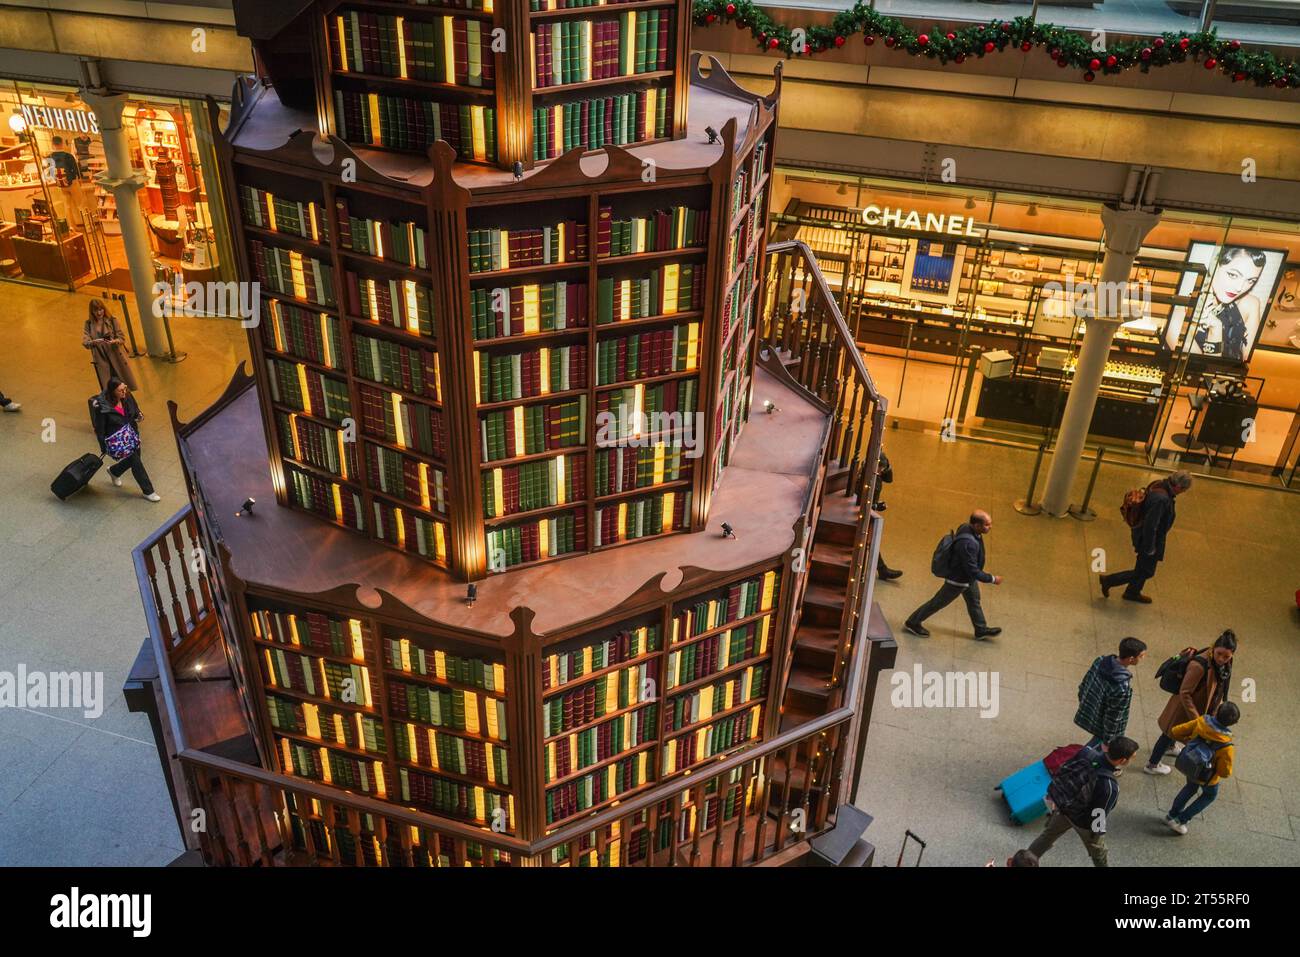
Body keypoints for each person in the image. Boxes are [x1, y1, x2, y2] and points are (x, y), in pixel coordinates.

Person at [1027, 737, 1138, 868]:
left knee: (1047, 836)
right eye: (1132, 757)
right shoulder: (1109, 786)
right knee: (1099, 851)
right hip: (1083, 822)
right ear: (1122, 760)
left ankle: (1024, 861)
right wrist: (1096, 836)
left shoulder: (1086, 752)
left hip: (1064, 806)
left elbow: (1066, 770)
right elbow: (1098, 817)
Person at [1144, 630, 1236, 775]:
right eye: (1219, 654)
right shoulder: (1199, 666)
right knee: (1169, 733)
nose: (1221, 659)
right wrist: (1197, 719)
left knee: (1175, 733)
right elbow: (1185, 692)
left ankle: (1171, 747)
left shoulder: (1224, 663)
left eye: (1226, 656)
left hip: (1199, 704)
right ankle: (1152, 764)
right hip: (1184, 707)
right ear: (1213, 648)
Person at [903, 509, 1002, 639]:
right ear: (977, 525)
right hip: (958, 580)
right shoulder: (968, 544)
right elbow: (972, 569)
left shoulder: (965, 527)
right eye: (987, 525)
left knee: (974, 601)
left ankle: (980, 629)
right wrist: (992, 579)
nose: (990, 527)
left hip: (967, 579)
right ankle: (913, 622)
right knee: (937, 603)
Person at [1099, 471, 1192, 604]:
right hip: (1149, 539)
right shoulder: (1162, 499)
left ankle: (1133, 592)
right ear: (1178, 487)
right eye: (1184, 490)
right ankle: (1109, 580)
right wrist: (1150, 547)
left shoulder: (1159, 484)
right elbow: (1151, 525)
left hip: (1143, 534)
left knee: (1142, 566)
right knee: (1147, 571)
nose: (1183, 492)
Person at [1164, 701, 1238, 835]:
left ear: (1216, 711)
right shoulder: (1227, 747)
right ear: (1233, 724)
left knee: (1190, 788)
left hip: (1191, 765)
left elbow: (1176, 731)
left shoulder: (1202, 721)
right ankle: (1181, 820)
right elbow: (1225, 772)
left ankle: (1172, 814)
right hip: (1208, 777)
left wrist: (1189, 743)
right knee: (1210, 795)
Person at [1190, 247, 1267, 362]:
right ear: (1214, 267)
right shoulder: (1181, 310)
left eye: (1251, 281)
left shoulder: (1250, 304)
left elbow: (1245, 360)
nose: (1239, 288)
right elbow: (1207, 372)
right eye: (1233, 275)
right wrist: (1215, 329)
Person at [93, 376, 160, 502]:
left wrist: (139, 414)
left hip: (132, 433)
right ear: (113, 392)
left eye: (125, 389)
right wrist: (103, 446)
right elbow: (100, 429)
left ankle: (114, 471)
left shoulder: (127, 396)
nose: (124, 392)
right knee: (136, 462)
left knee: (135, 459)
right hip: (119, 439)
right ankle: (148, 491)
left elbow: (135, 408)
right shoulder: (103, 407)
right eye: (120, 390)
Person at [1074, 637, 1147, 748]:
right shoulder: (1122, 687)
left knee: (1095, 742)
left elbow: (1085, 683)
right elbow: (1113, 718)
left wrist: (1083, 701)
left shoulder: (1100, 660)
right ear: (1131, 659)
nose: (1143, 658)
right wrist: (1109, 741)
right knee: (1094, 749)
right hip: (1103, 725)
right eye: (1141, 656)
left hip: (1091, 710)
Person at [83, 298, 139, 392]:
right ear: (92, 311)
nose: (99, 313)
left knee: (123, 386)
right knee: (109, 388)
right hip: (102, 359)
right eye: (96, 310)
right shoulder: (88, 324)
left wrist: (114, 341)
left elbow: (121, 338)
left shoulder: (112, 320)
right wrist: (94, 342)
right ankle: (117, 406)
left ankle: (127, 405)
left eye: (101, 309)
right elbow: (85, 342)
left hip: (116, 356)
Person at [873, 451, 902, 581]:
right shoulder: (866, 475)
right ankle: (882, 569)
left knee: (872, 541)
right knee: (871, 541)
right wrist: (876, 506)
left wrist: (887, 465)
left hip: (871, 510)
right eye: (880, 468)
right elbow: (860, 499)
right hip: (866, 512)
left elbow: (889, 479)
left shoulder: (876, 472)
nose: (882, 471)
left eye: (883, 468)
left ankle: (882, 569)